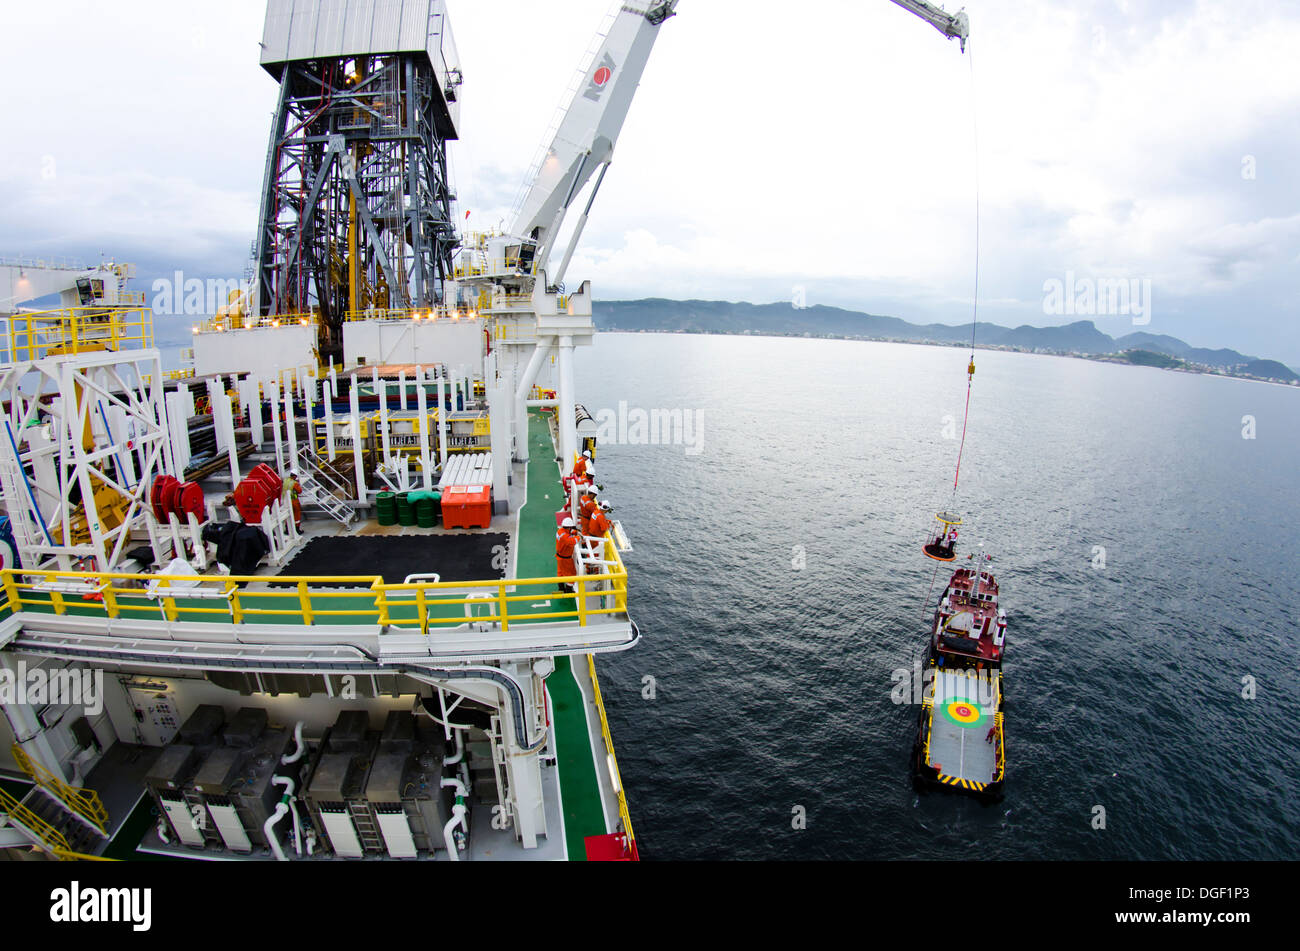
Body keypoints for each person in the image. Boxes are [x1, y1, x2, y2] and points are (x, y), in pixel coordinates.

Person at [555, 517, 579, 593]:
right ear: (569, 527)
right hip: (566, 559)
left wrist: (573, 532)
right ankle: (569, 590)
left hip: (559, 557)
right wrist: (579, 536)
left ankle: (561, 588)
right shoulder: (565, 537)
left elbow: (567, 535)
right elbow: (572, 541)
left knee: (560, 572)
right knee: (572, 574)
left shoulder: (559, 531)